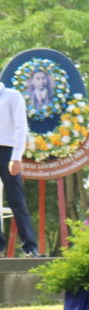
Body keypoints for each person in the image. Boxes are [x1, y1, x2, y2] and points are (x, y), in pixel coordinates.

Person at [0, 73, 40, 256]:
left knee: (17, 200)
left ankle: (30, 247)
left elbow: (21, 127)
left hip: (7, 152)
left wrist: (16, 157)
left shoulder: (11, 95)